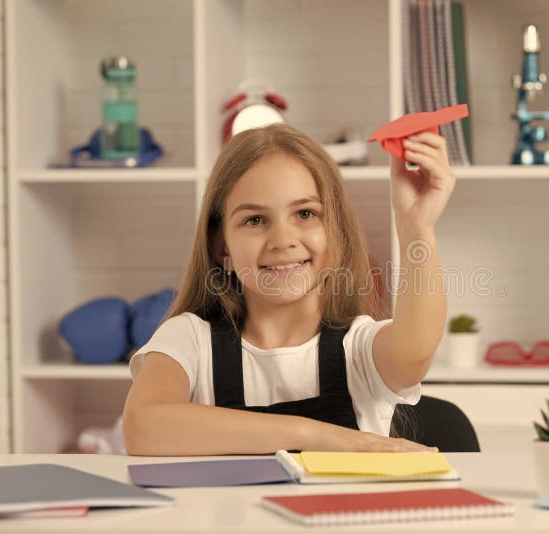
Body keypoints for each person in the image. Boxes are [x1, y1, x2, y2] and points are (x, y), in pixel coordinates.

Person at [122, 123, 455, 455]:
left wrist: (416, 227)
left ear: (335, 232)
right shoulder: (189, 340)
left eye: (305, 213)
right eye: (255, 220)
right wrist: (313, 437)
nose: (282, 241)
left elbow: (416, 350)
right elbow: (143, 426)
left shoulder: (359, 348)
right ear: (222, 246)